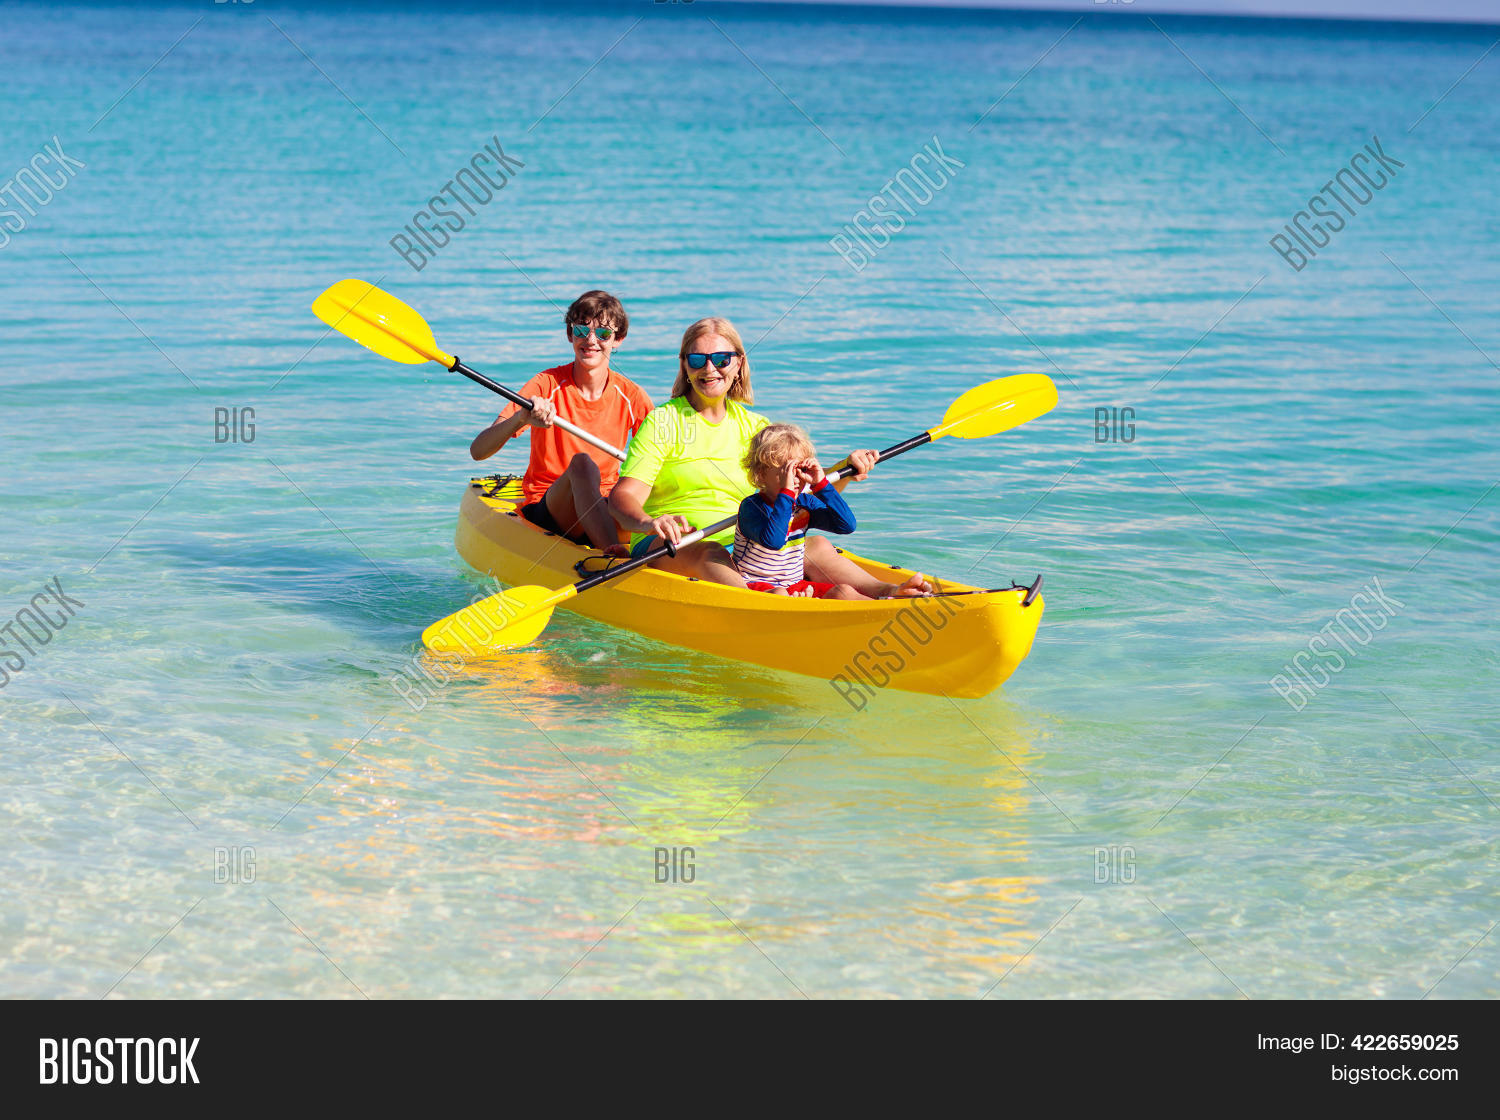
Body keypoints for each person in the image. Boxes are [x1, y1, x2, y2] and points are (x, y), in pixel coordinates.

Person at [608, 317, 932, 596]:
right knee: (710, 550)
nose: (709, 368)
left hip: (752, 544)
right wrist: (650, 522)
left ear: (738, 364)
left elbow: (797, 495)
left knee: (816, 546)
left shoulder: (758, 427)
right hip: (675, 546)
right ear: (685, 365)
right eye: (697, 359)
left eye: (721, 359)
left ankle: (889, 593)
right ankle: (762, 606)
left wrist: (843, 471)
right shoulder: (663, 422)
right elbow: (623, 500)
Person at [470, 291, 651, 554]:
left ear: (618, 340)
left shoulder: (631, 395)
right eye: (581, 330)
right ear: (569, 335)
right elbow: (478, 451)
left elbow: (660, 459)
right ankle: (612, 554)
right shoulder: (546, 385)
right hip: (552, 508)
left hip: (604, 505)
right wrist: (522, 417)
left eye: (603, 334)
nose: (590, 341)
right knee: (582, 465)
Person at [734, 424, 866, 599]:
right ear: (761, 474)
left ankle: (885, 608)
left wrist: (820, 484)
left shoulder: (804, 504)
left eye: (800, 470)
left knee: (844, 591)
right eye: (786, 471)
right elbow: (774, 541)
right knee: (779, 593)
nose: (795, 478)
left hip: (794, 584)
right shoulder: (751, 507)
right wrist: (787, 493)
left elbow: (846, 525)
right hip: (755, 585)